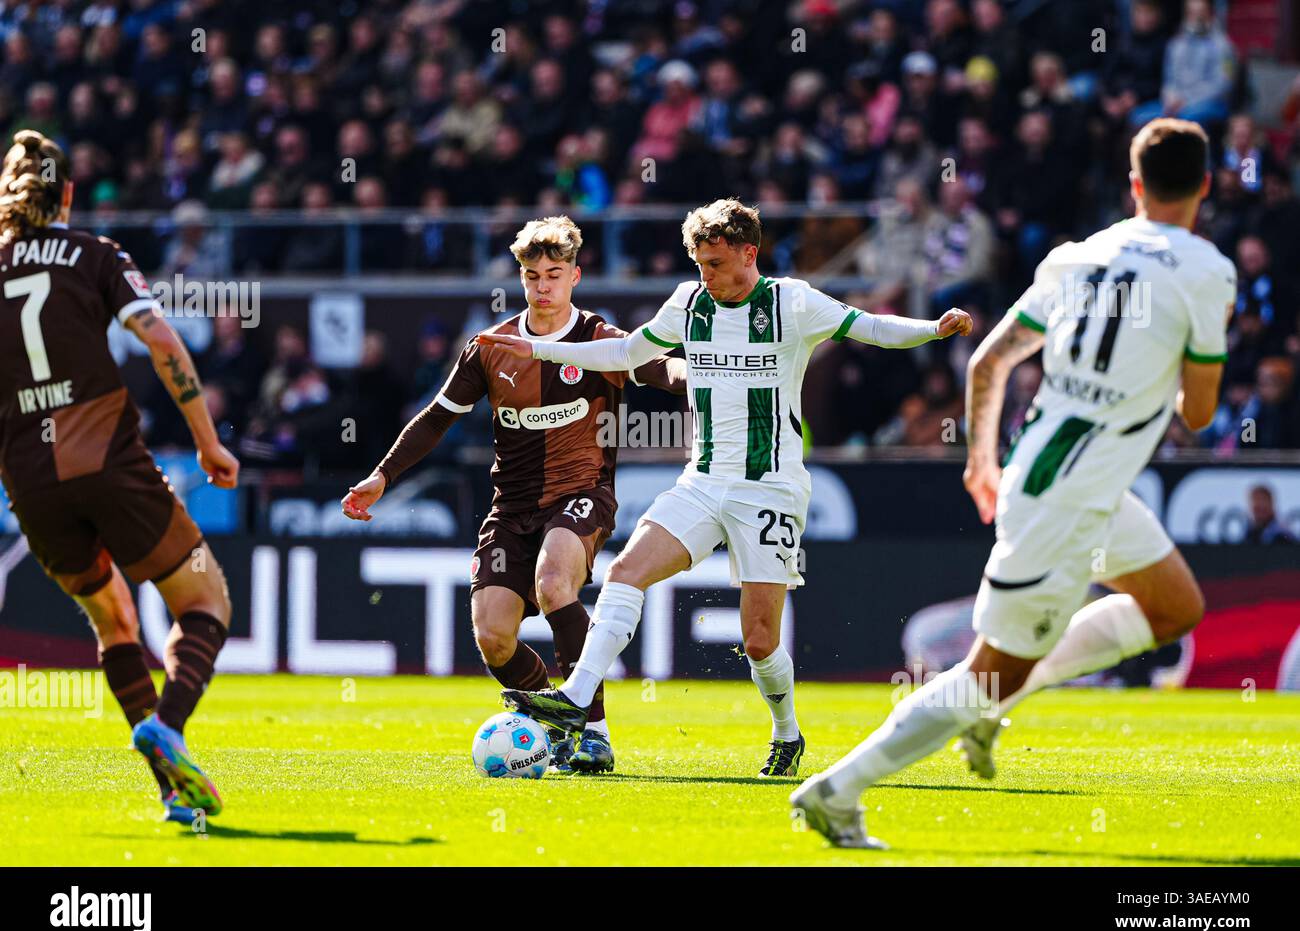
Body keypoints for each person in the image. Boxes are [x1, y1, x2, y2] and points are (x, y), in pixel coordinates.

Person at [790, 118, 1234, 848]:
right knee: (988, 673)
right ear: (1206, 187)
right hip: (1067, 493)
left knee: (1174, 606)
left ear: (1133, 186)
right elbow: (1201, 409)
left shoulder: (1078, 257)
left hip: (1060, 473)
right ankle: (838, 790)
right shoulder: (1207, 269)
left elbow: (988, 363)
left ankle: (997, 705)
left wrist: (979, 460)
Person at [480, 199, 971, 776]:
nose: (705, 276)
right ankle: (576, 699)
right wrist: (538, 348)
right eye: (699, 264)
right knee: (624, 572)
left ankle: (787, 734)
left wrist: (933, 329)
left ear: (748, 253)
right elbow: (625, 353)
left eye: (714, 263)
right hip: (703, 479)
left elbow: (872, 329)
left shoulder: (792, 302)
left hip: (770, 489)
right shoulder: (689, 303)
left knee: (759, 639)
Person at [341, 216, 685, 773]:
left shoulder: (602, 340)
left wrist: (712, 375)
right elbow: (436, 419)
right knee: (493, 636)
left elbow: (664, 372)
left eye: (554, 274)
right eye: (531, 276)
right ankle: (554, 717)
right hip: (512, 508)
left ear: (575, 275)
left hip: (582, 495)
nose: (542, 286)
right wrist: (382, 475)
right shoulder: (492, 348)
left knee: (554, 584)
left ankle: (592, 730)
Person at [0, 131, 239, 822]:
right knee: (206, 600)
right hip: (104, 453)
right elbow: (162, 340)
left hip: (29, 477)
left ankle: (172, 791)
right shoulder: (95, 254)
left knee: (113, 621)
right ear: (68, 194)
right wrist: (208, 445)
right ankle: (167, 726)